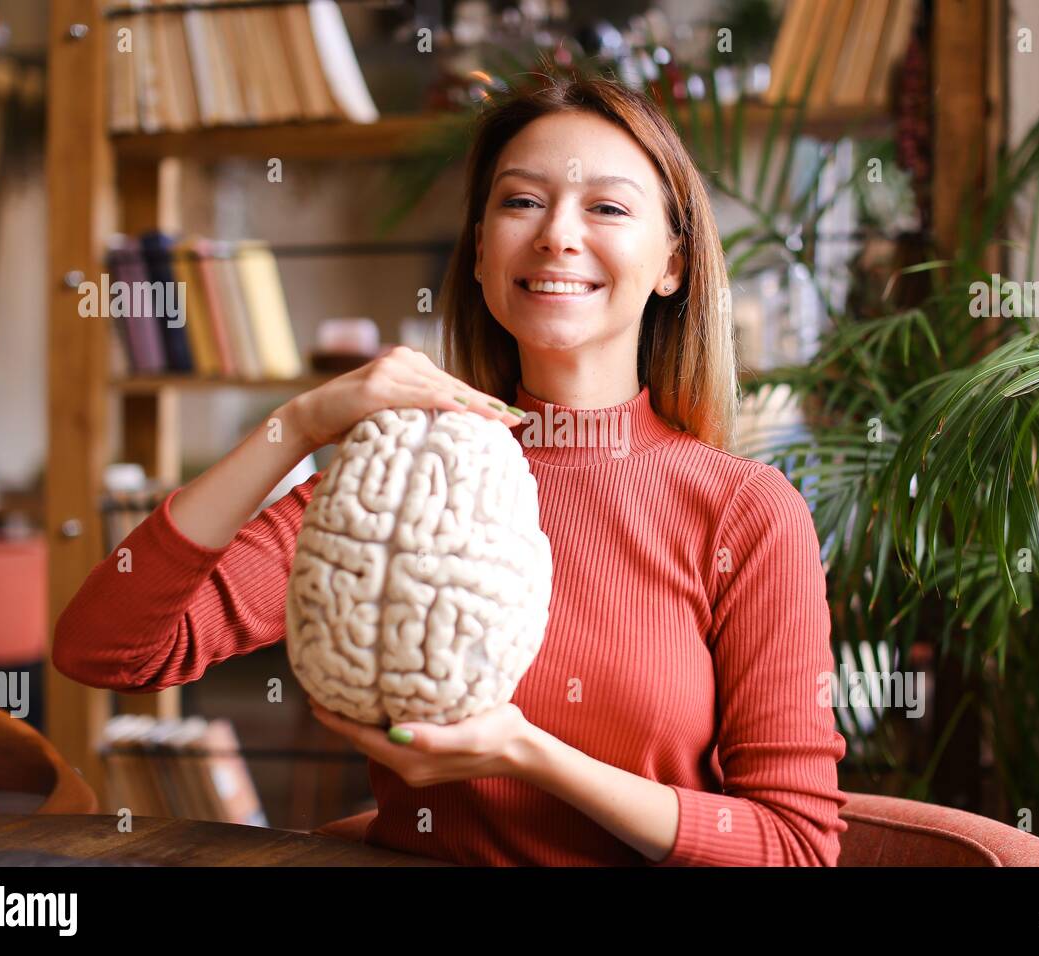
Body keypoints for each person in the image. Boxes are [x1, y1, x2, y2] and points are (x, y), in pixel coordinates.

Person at [53, 73, 849, 866]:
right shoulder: (399, 474)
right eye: (521, 201)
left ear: (673, 263)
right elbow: (108, 649)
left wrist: (524, 754)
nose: (557, 236)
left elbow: (796, 848)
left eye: (606, 207)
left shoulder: (745, 512)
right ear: (478, 252)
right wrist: (297, 425)